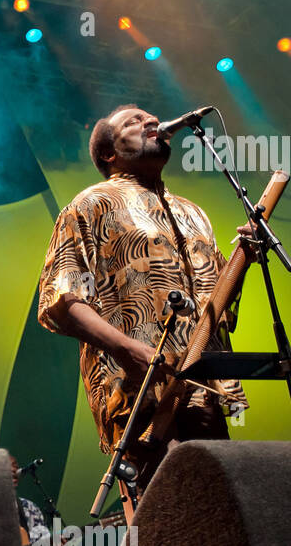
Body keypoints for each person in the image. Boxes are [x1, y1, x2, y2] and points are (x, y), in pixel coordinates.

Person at [37, 105, 253, 510]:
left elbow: (217, 311)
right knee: (166, 520)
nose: (151, 122)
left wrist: (244, 259)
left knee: (220, 517)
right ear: (108, 153)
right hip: (140, 395)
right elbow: (60, 300)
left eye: (152, 118)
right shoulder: (90, 205)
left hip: (201, 391)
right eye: (133, 121)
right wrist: (126, 347)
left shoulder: (193, 213)